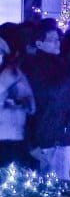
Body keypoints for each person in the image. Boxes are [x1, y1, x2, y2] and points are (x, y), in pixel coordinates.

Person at [23, 24, 70, 179]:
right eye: (51, 39)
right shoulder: (38, 66)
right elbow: (52, 91)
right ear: (39, 43)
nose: (57, 42)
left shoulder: (55, 63)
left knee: (56, 181)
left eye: (57, 39)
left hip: (58, 132)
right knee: (57, 183)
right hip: (54, 133)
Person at [0, 36, 35, 168]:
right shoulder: (11, 75)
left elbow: (31, 106)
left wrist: (16, 102)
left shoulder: (15, 75)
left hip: (14, 137)